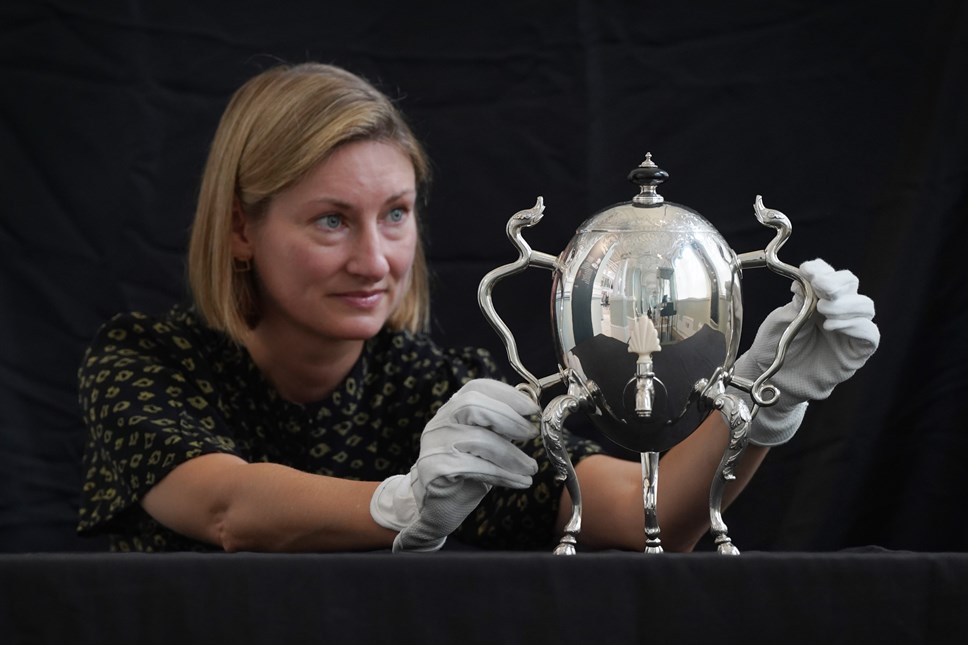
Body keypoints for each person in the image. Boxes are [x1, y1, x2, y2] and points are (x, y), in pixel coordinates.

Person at [76, 62, 879, 553]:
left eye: (395, 213)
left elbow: (652, 517)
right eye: (331, 220)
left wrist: (763, 397)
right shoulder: (144, 363)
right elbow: (229, 509)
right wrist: (403, 504)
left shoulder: (433, 388)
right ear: (241, 230)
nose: (375, 259)